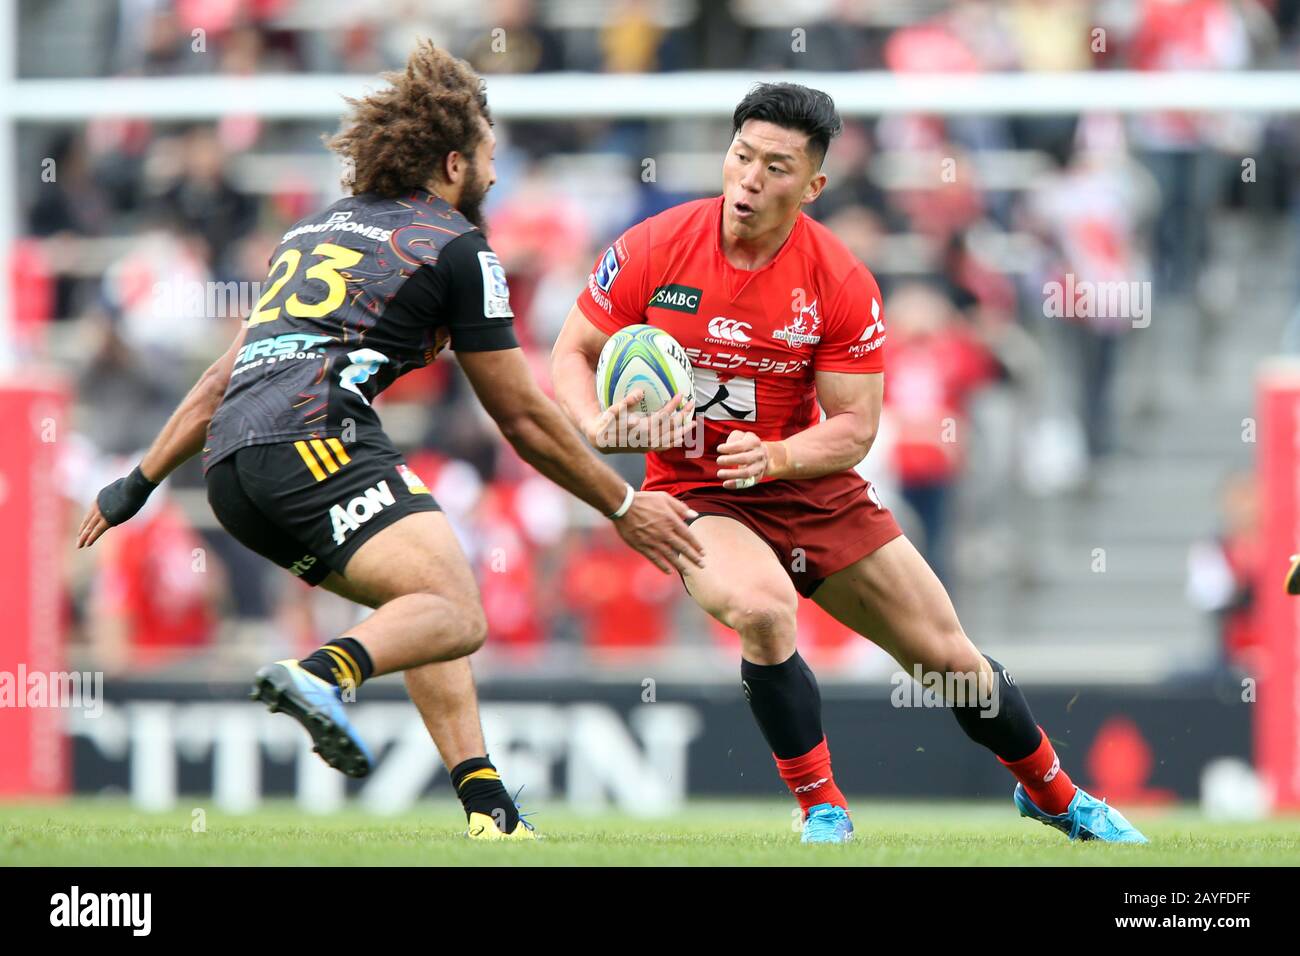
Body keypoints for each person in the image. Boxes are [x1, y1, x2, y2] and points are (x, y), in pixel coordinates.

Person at [77, 41, 704, 840]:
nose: (496, 174)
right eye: (487, 157)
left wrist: (134, 484)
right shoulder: (456, 246)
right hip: (316, 437)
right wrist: (622, 503)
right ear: (451, 164)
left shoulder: (309, 234)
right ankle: (322, 674)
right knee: (455, 608)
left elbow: (216, 382)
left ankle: (491, 813)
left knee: (421, 601)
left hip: (232, 470)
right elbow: (519, 417)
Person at [551, 82, 1147, 845]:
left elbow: (857, 428)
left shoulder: (838, 280)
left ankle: (1055, 795)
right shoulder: (652, 246)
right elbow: (572, 351)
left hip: (808, 486)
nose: (751, 179)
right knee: (765, 613)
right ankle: (822, 808)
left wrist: (774, 455)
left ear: (813, 184)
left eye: (776, 165)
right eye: (741, 157)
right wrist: (599, 424)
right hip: (699, 493)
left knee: (945, 658)